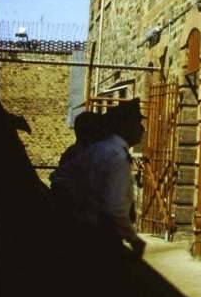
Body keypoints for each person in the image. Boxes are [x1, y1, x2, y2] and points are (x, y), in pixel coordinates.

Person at [50, 99, 146, 258]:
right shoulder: (116, 156)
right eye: (138, 123)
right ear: (126, 127)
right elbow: (114, 209)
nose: (142, 129)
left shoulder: (101, 149)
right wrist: (134, 239)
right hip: (101, 235)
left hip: (92, 230)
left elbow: (60, 176)